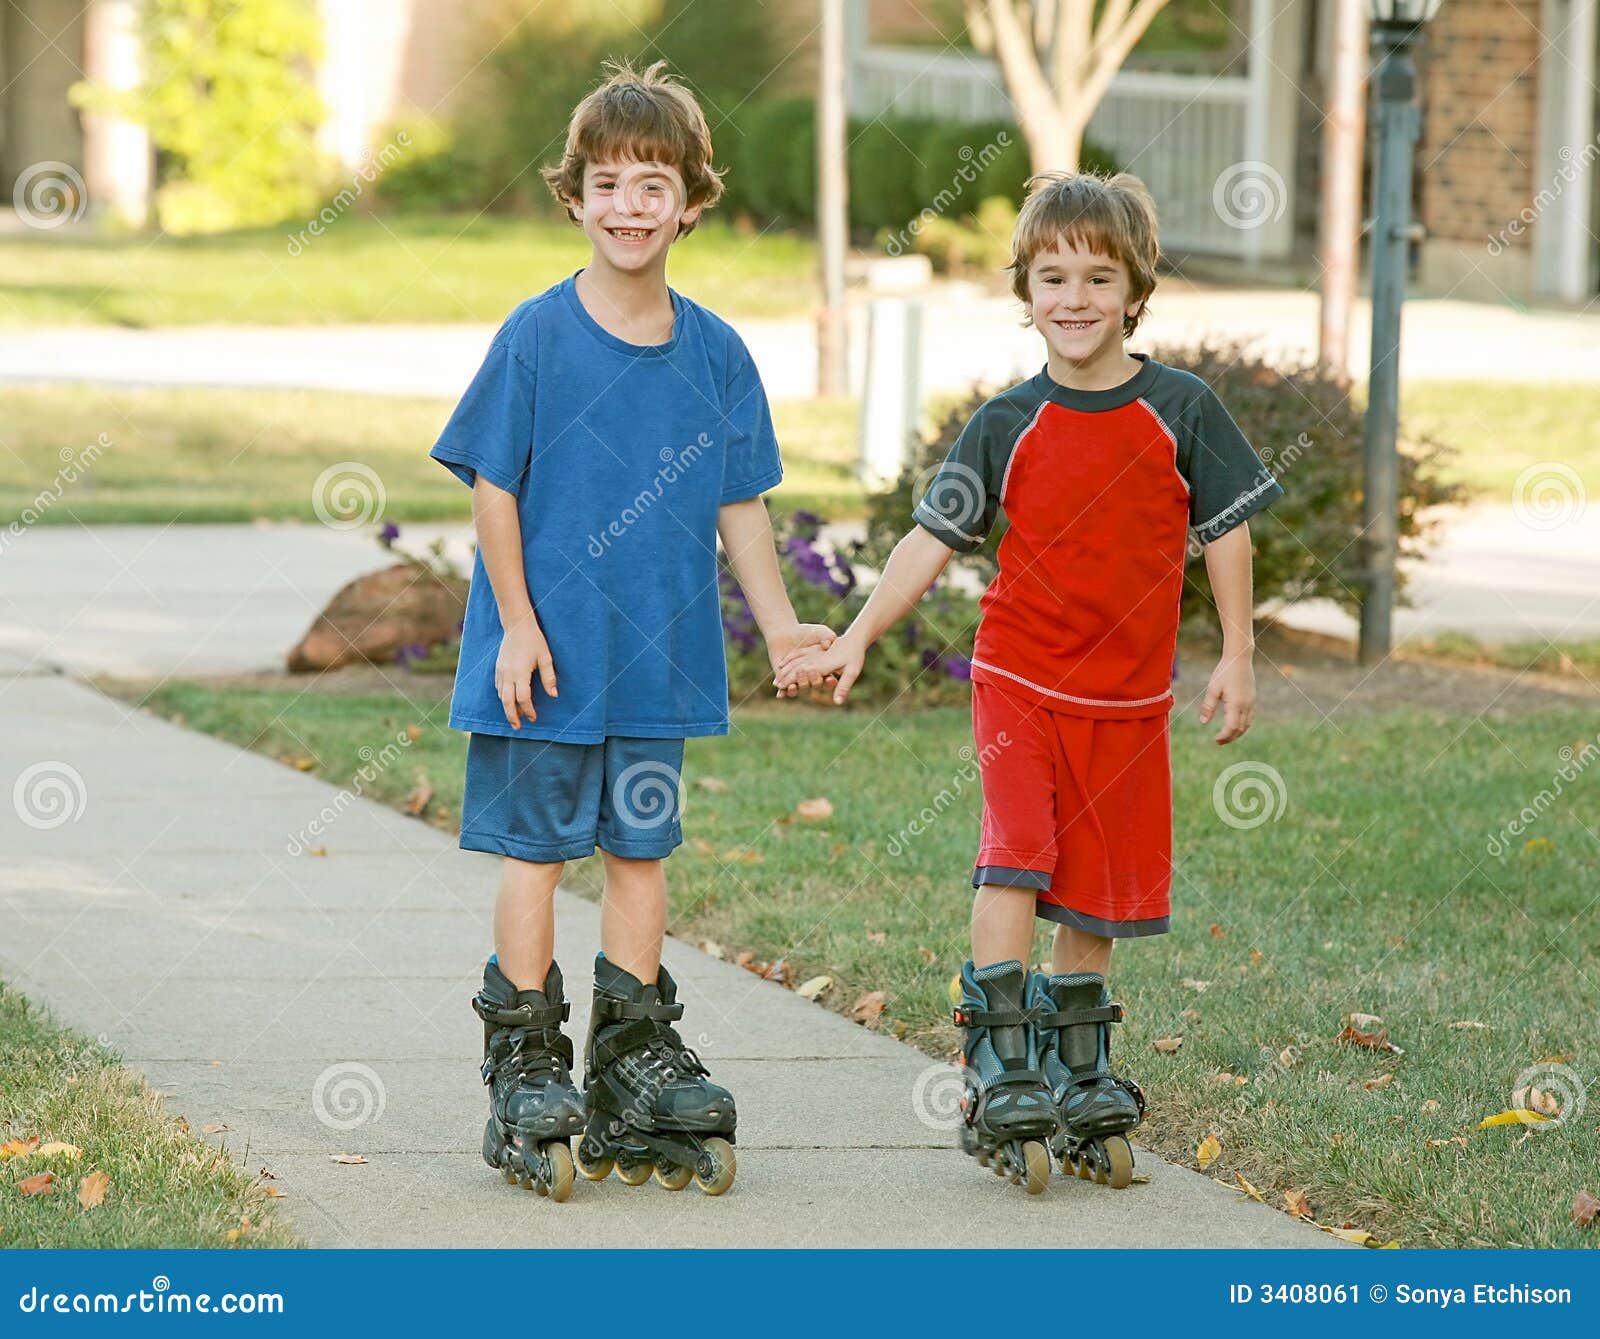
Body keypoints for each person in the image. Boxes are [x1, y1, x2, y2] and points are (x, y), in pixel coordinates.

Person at [775, 171, 1283, 1193]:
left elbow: (1223, 528)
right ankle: (997, 1061)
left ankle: (1076, 1059)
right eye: (1053, 276)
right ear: (1025, 291)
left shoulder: (1181, 409)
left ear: (1137, 289)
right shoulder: (1006, 423)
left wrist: (1236, 652)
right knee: (1014, 858)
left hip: (1130, 701)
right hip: (1019, 682)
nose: (1076, 297)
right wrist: (862, 633)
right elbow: (931, 537)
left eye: (1100, 276)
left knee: (1095, 896)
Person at [431, 61, 833, 1201]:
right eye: (606, 182)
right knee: (536, 852)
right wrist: (513, 623)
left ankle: (632, 1056)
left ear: (692, 201)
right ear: (573, 195)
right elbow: (492, 486)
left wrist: (781, 627)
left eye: (652, 184)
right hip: (543, 663)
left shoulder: (715, 354)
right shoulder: (536, 335)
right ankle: (527, 1061)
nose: (627, 205)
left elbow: (738, 506)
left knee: (640, 853)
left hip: (656, 664)